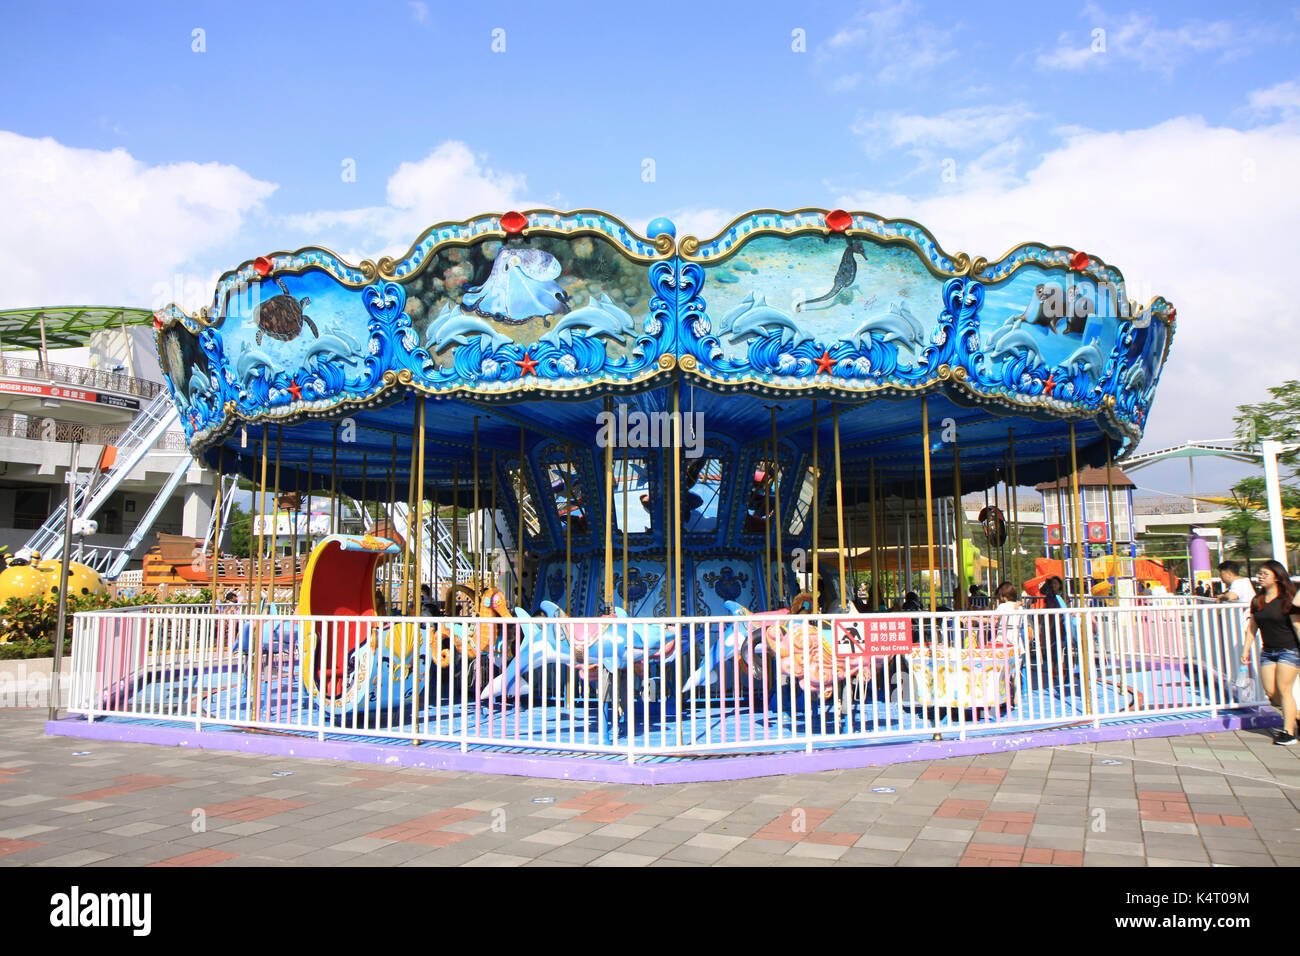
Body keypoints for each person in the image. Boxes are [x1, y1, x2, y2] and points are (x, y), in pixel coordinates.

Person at [1238, 560, 1300, 745]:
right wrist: (1246, 648)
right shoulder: (1258, 601)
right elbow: (1252, 627)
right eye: (1259, 573)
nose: (1260, 577)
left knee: (1284, 689)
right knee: (1271, 693)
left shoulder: (1288, 599)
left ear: (1277, 577)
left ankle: (1288, 733)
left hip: (1289, 650)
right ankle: (1296, 715)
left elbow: (1297, 626)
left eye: (1265, 574)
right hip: (1268, 650)